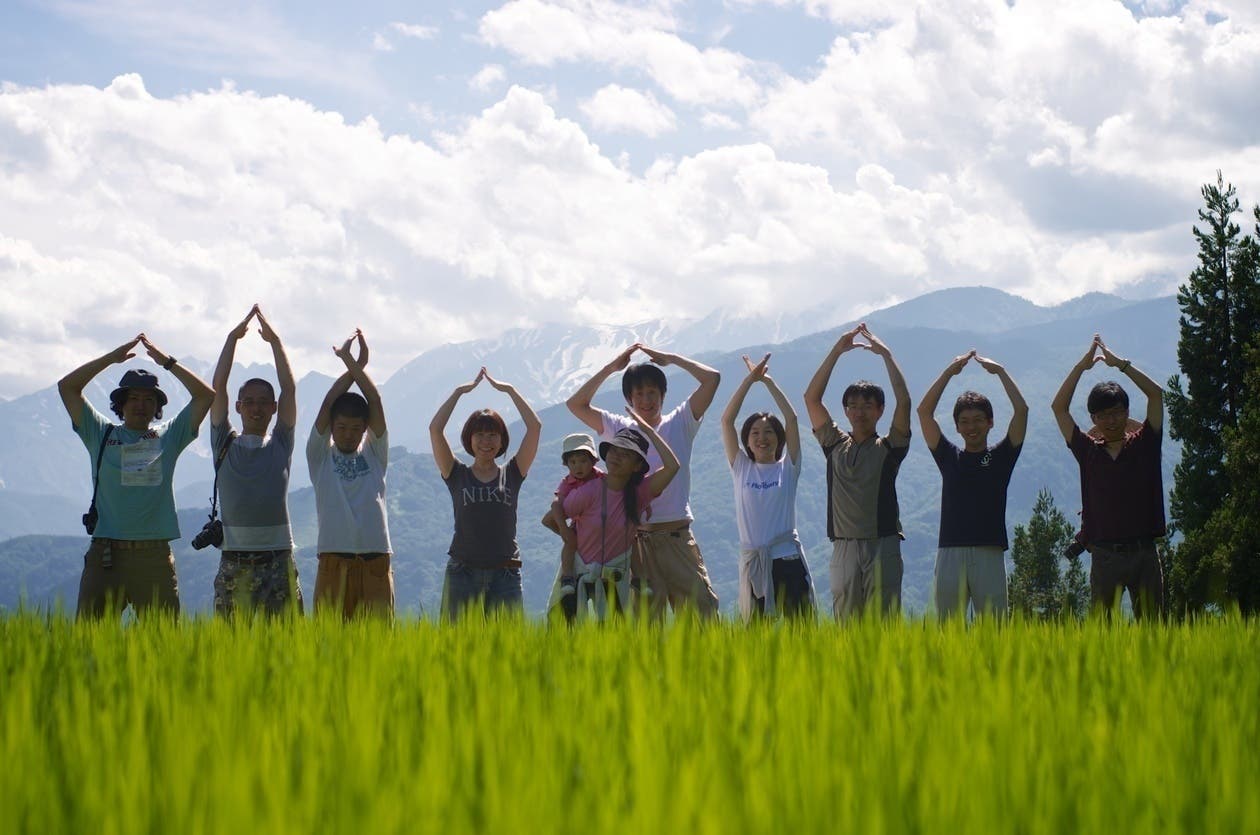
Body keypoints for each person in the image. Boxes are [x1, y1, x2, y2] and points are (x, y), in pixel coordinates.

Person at [58, 333, 214, 619]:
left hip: (153, 555)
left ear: (157, 407)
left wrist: (166, 362)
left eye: (148, 400)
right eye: (133, 399)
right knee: (89, 643)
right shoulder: (100, 433)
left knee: (161, 642)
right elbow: (67, 387)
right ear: (120, 404)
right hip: (106, 554)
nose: (140, 405)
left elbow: (206, 396)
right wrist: (110, 359)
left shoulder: (169, 435)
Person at [566, 344, 721, 619]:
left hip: (676, 536)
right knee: (645, 629)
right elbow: (576, 404)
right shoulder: (617, 428)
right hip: (635, 544)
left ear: (663, 395)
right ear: (628, 398)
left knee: (702, 617)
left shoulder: (681, 421)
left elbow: (712, 379)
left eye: (652, 393)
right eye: (639, 394)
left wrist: (671, 359)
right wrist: (610, 369)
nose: (646, 400)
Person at [1051, 334, 1165, 619]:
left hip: (1144, 552)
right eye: (1103, 415)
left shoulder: (1145, 445)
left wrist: (1120, 365)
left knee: (1155, 634)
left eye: (1116, 413)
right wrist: (1081, 367)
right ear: (1093, 420)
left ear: (1127, 413)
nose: (1111, 420)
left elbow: (1156, 394)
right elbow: (1059, 408)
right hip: (1105, 555)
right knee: (1103, 635)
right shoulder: (1087, 452)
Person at [803, 322, 911, 619]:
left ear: (880, 411)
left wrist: (887, 356)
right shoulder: (834, 443)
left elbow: (905, 401)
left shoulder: (890, 448)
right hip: (844, 546)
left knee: (883, 626)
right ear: (846, 411)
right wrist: (837, 351)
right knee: (846, 630)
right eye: (852, 406)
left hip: (883, 544)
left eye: (867, 405)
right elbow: (811, 398)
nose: (859, 411)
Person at [917, 350, 1028, 620]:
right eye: (964, 422)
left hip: (989, 551)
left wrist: (1001, 372)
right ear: (956, 427)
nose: (971, 427)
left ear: (991, 422)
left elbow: (1022, 410)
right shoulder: (949, 456)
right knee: (949, 631)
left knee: (994, 630)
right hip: (949, 551)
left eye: (978, 419)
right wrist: (947, 374)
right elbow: (924, 412)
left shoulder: (1002, 457)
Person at [208, 305, 303, 616]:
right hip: (235, 560)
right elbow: (217, 387)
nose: (256, 408)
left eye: (264, 402)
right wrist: (231, 339)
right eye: (249, 402)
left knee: (286, 647)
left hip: (279, 559)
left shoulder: (281, 443)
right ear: (237, 407)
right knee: (232, 649)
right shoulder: (224, 442)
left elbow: (289, 388)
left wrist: (275, 342)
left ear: (274, 408)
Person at [430, 367, 542, 620]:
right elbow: (435, 429)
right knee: (457, 648)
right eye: (479, 434)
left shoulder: (513, 472)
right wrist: (459, 392)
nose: (486, 441)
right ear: (469, 440)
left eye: (493, 434)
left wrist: (510, 390)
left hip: (505, 573)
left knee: (506, 651)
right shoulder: (456, 473)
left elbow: (534, 427)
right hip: (462, 571)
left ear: (502, 441)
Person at [721, 353, 815, 621]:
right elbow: (727, 420)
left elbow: (793, 419)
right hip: (755, 567)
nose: (762, 438)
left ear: (779, 439)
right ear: (747, 442)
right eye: (755, 433)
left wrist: (769, 383)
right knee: (757, 640)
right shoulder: (740, 467)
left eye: (769, 432)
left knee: (801, 632)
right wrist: (750, 380)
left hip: (787, 561)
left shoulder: (789, 466)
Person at [558, 413, 679, 621]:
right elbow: (553, 516)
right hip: (579, 576)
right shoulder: (589, 490)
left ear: (637, 466)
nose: (616, 456)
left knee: (613, 639)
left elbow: (673, 466)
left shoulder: (641, 492)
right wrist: (570, 537)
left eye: (626, 454)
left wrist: (649, 432)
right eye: (614, 450)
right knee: (569, 639)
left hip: (615, 579)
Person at [307, 330, 393, 619]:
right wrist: (351, 365)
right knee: (328, 646)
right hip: (333, 559)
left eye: (356, 429)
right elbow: (328, 404)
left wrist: (356, 365)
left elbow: (375, 401)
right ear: (332, 428)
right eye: (341, 428)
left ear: (365, 429)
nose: (348, 435)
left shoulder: (375, 454)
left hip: (375, 562)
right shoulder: (319, 456)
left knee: (378, 645)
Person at [541, 433, 605, 622]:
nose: (578, 466)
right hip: (576, 529)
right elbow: (556, 505)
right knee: (569, 548)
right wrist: (566, 532)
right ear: (567, 464)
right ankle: (568, 576)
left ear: (593, 461)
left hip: (595, 536)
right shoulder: (568, 482)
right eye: (573, 462)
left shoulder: (601, 479)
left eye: (583, 461)